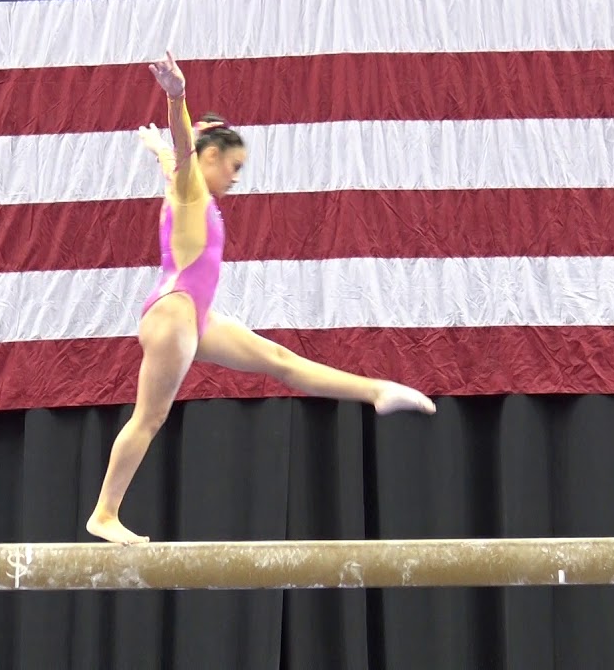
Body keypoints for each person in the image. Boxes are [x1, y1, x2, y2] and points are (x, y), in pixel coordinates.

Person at [85, 52, 437, 545]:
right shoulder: (190, 191)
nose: (235, 178)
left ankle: (376, 391)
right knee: (151, 416)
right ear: (209, 159)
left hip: (194, 313)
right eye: (232, 167)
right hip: (175, 312)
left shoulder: (188, 191)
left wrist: (155, 150)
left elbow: (174, 158)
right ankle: (104, 512)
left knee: (279, 359)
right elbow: (183, 149)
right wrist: (176, 96)